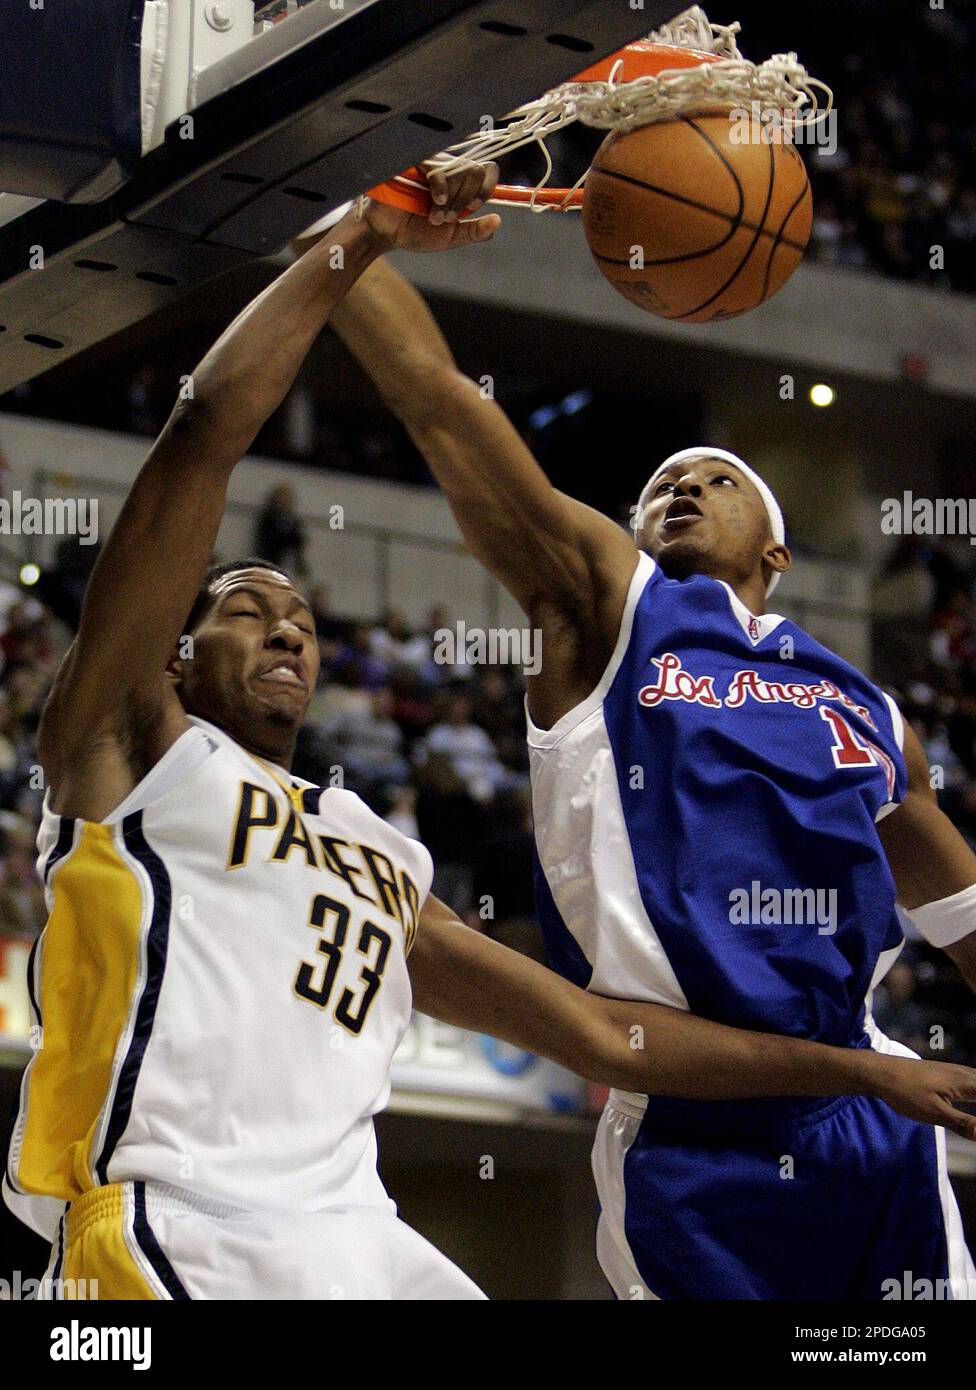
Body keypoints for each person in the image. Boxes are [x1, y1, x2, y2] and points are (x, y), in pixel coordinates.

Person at [5, 175, 974, 1304]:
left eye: (306, 618)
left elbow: (619, 1036)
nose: (287, 627)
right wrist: (347, 220)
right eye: (246, 605)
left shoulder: (384, 850)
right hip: (184, 1215)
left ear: (778, 555)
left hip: (372, 1225)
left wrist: (861, 1068)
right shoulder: (134, 749)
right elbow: (262, 428)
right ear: (172, 657)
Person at [323, 171, 976, 1300]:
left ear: (775, 552)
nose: (680, 488)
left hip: (873, 1116)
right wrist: (343, 221)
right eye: (660, 484)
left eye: (714, 479)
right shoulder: (610, 614)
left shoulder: (866, 712)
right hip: (689, 1125)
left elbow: (964, 915)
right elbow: (438, 400)